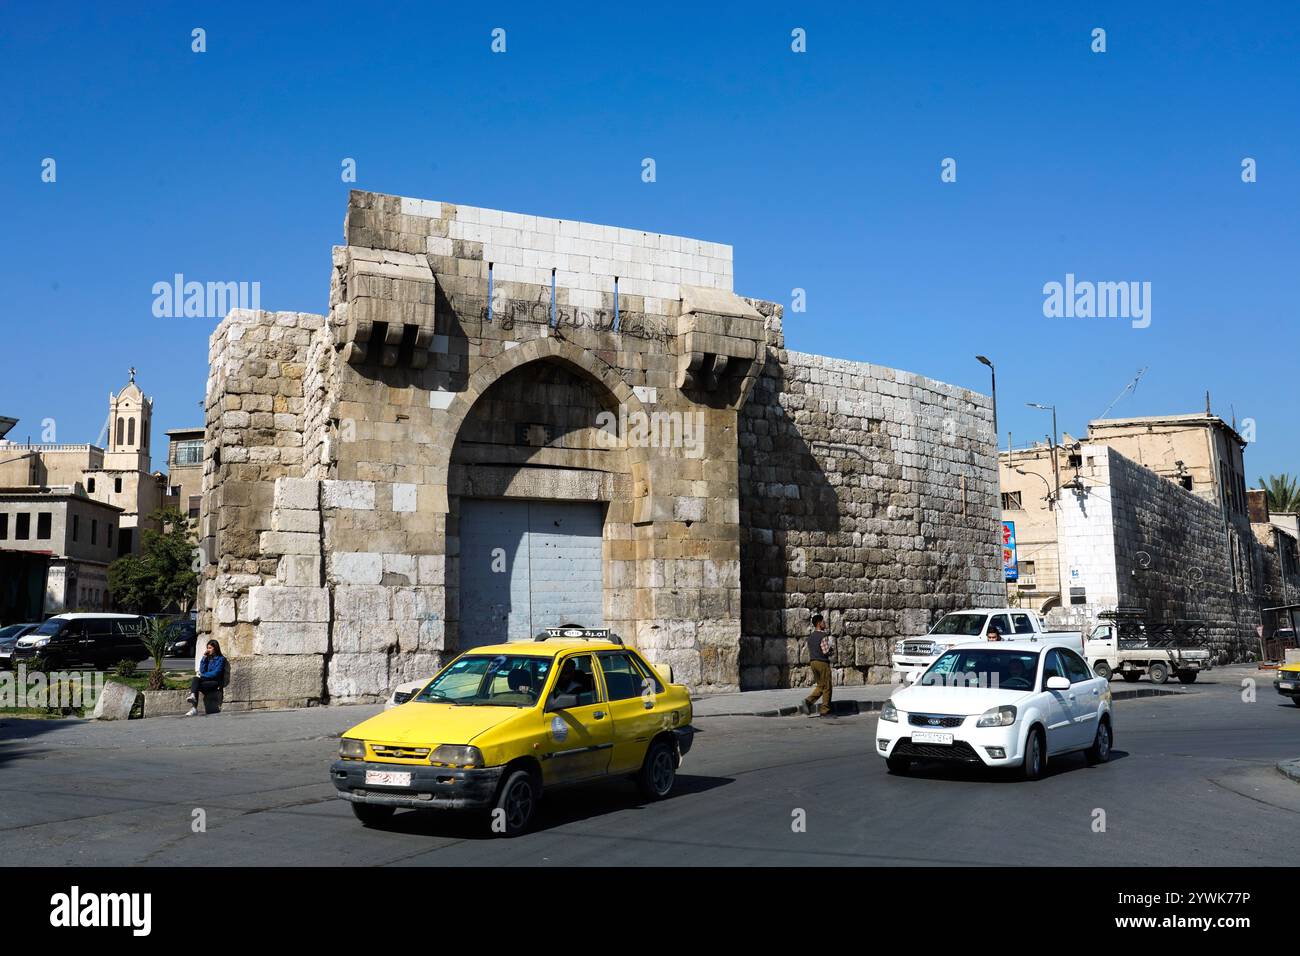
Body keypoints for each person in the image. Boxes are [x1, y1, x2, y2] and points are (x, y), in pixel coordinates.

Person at [801, 613, 835, 718]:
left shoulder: (810, 637)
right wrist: (831, 651)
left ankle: (808, 702)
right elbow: (825, 651)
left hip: (813, 662)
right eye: (823, 622)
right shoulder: (823, 636)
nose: (825, 623)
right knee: (827, 687)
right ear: (819, 623)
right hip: (822, 662)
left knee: (821, 685)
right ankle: (825, 711)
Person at [186, 640, 227, 717]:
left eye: (210, 648)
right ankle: (193, 698)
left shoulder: (221, 659)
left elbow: (216, 673)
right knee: (196, 680)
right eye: (207, 648)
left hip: (215, 683)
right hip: (206, 681)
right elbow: (202, 670)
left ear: (215, 648)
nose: (208, 650)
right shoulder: (208, 658)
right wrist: (204, 658)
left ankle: (194, 708)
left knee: (196, 684)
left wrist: (203, 676)